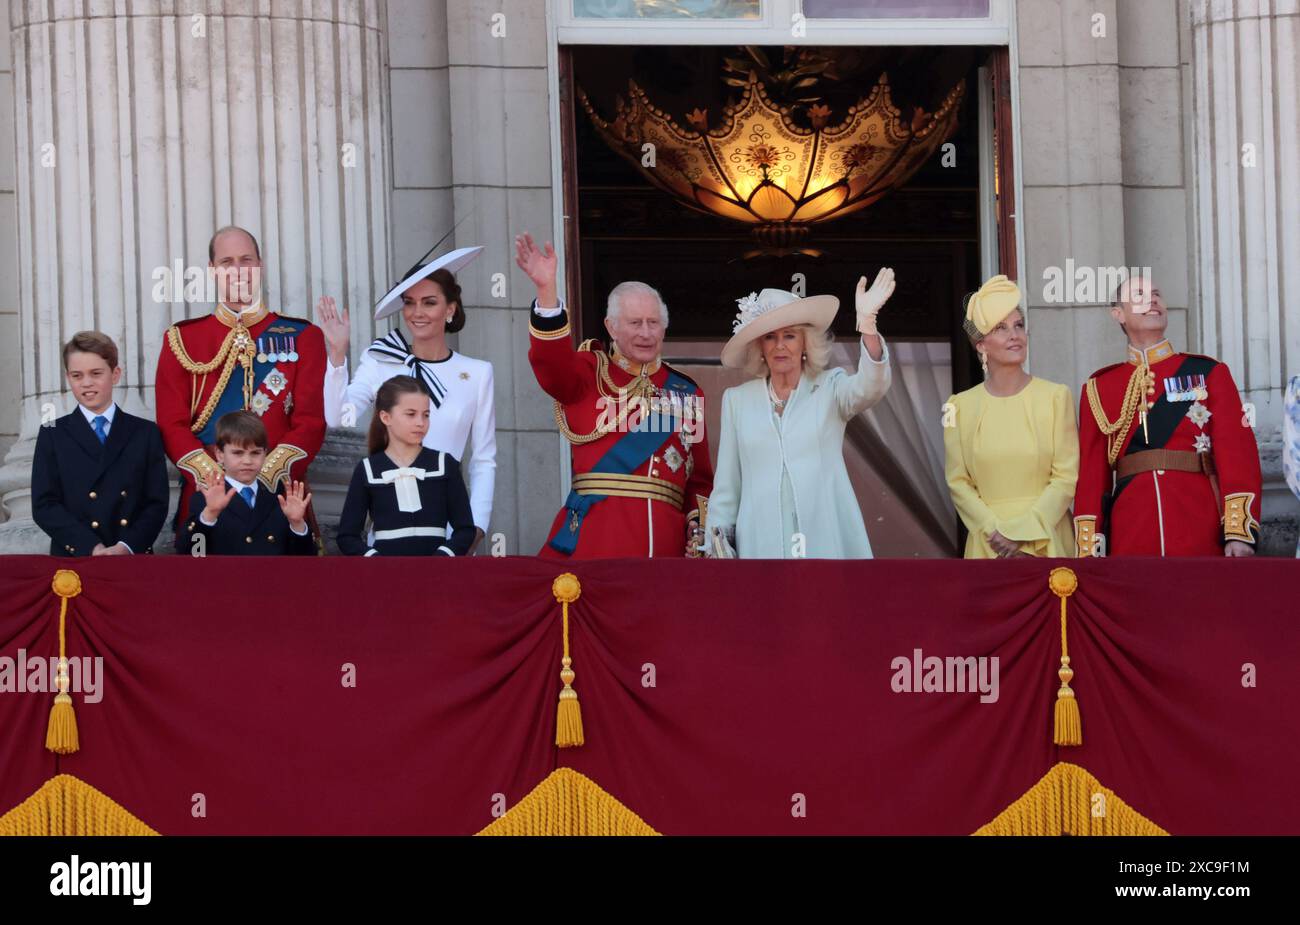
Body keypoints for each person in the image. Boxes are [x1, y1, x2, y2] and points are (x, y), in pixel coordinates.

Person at [515, 232, 713, 558]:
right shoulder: (588, 371)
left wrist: (697, 526)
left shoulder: (686, 393)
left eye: (654, 323)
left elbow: (701, 481)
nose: (646, 333)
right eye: (635, 323)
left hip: (666, 551)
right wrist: (546, 292)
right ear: (611, 326)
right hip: (596, 542)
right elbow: (551, 365)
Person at [155, 226, 326, 550]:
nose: (237, 271)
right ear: (212, 271)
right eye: (227, 262)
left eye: (246, 260)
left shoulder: (304, 336)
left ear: (259, 266)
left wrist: (264, 474)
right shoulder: (181, 340)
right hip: (206, 494)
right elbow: (171, 424)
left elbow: (311, 422)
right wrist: (214, 477)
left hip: (279, 495)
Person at [704, 272, 894, 559]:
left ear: (805, 344)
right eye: (770, 337)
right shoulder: (738, 401)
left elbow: (870, 387)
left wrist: (867, 326)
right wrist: (718, 544)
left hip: (824, 541)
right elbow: (727, 486)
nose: (780, 345)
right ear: (760, 347)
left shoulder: (830, 388)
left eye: (790, 335)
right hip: (759, 546)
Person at [319, 247, 494, 553]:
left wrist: (475, 529)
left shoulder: (477, 373)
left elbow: (483, 459)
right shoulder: (380, 360)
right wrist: (336, 357)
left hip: (452, 535)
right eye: (409, 303)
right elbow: (338, 418)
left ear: (450, 309)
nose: (417, 312)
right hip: (390, 534)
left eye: (429, 303)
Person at [1074, 275, 1262, 557]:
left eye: (1157, 293)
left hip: (1200, 524)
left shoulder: (1208, 372)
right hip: (1131, 531)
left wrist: (1238, 533)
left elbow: (1237, 454)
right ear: (1118, 314)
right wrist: (1089, 550)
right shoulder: (1099, 387)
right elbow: (1091, 478)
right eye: (1139, 295)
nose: (1153, 300)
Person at [943, 276, 1079, 558]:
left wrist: (1023, 531)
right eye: (1001, 328)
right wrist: (995, 531)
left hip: (1047, 538)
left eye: (1018, 325)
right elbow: (957, 482)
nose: (1014, 334)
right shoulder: (955, 407)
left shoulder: (1057, 396)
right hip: (988, 542)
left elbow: (1066, 476)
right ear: (981, 345)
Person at [32, 332, 170, 556]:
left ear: (115, 374)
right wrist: (90, 547)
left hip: (130, 559)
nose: (86, 383)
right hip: (76, 558)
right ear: (68, 378)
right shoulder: (52, 433)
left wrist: (127, 547)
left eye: (96, 373)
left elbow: (156, 502)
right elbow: (44, 505)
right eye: (77, 375)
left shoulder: (145, 432)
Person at [335, 375, 476, 557]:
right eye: (411, 414)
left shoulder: (444, 464)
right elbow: (347, 536)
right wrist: (376, 560)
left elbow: (465, 529)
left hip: (438, 576)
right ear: (386, 417)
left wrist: (443, 557)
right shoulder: (368, 469)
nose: (420, 422)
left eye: (426, 415)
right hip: (387, 577)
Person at [182, 411, 316, 556]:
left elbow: (304, 562)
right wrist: (209, 514)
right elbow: (191, 554)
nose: (247, 461)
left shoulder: (278, 500)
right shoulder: (203, 499)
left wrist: (297, 524)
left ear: (265, 453)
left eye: (255, 453)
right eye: (238, 453)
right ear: (220, 454)